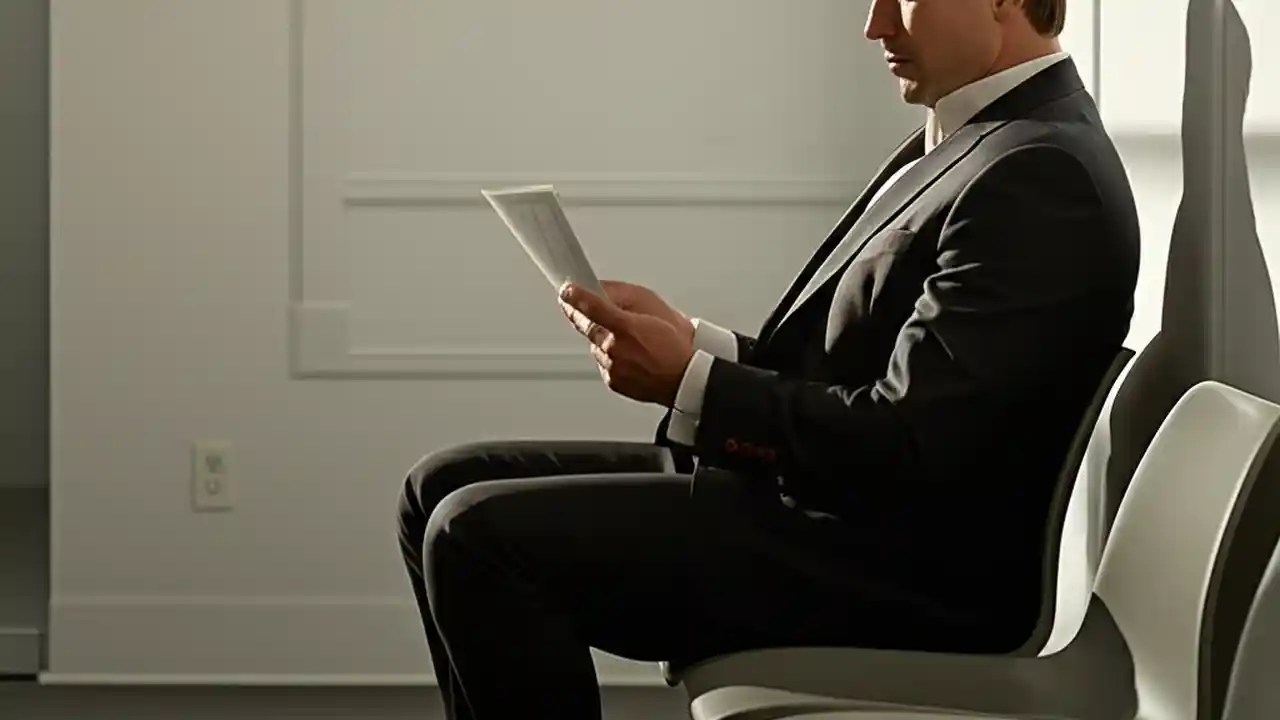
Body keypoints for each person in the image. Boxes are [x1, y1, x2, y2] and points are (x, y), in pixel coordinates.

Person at [396, 0, 1140, 717]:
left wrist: (690, 382)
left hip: (901, 568)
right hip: (849, 508)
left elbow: (911, 442)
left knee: (476, 535)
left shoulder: (1040, 170)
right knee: (434, 487)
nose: (874, 24)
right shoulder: (987, 133)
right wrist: (699, 349)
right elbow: (868, 377)